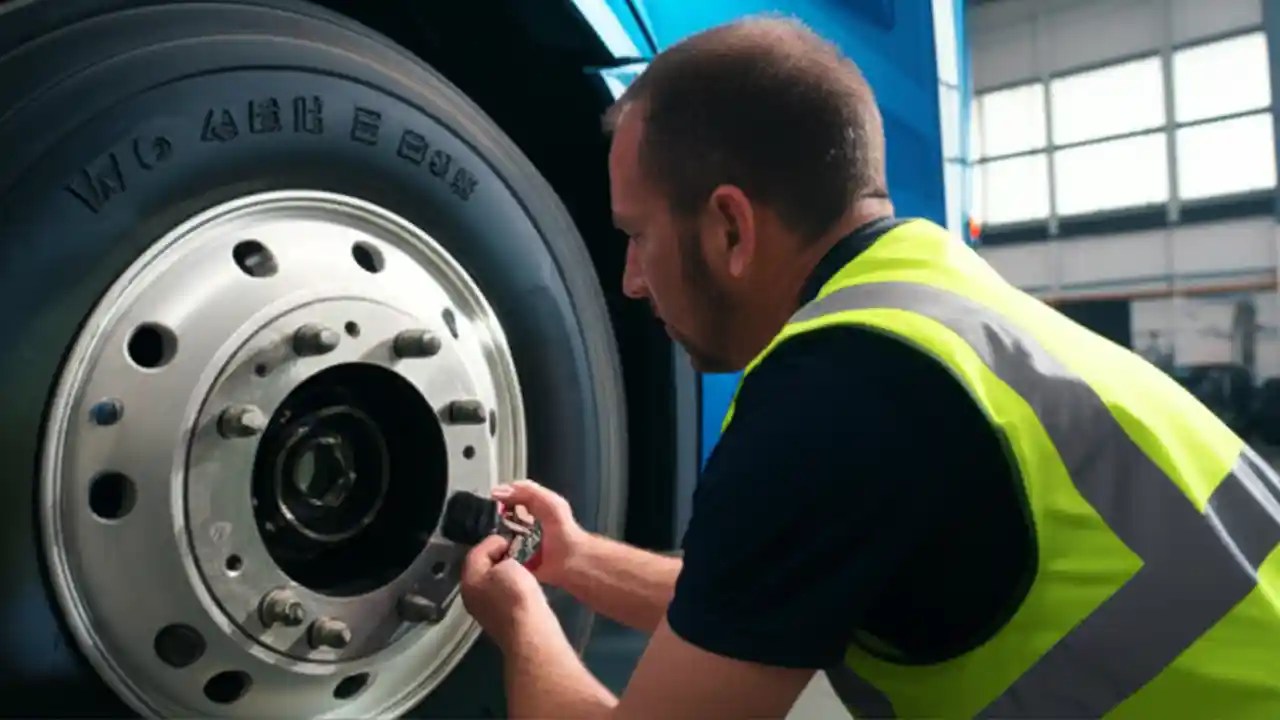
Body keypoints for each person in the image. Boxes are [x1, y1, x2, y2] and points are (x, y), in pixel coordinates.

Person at [460, 14, 1280, 720]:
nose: (632, 281)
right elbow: (762, 597)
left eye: (637, 236)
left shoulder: (833, 396)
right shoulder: (928, 315)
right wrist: (568, 559)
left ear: (731, 228)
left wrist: (520, 621)